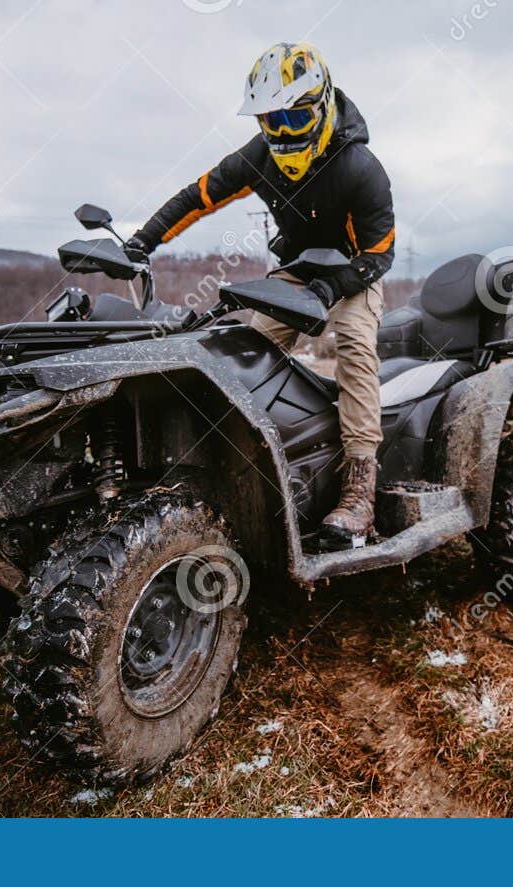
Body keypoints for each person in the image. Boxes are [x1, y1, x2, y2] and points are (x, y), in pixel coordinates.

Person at [125, 42, 395, 542]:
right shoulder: (259, 157)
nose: (283, 133)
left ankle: (360, 485)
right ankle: (248, 461)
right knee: (246, 350)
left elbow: (379, 255)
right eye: (272, 121)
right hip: (297, 270)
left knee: (355, 345)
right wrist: (143, 241)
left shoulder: (361, 169)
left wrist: (333, 285)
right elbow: (199, 195)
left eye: (295, 118)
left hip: (353, 272)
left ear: (321, 105)